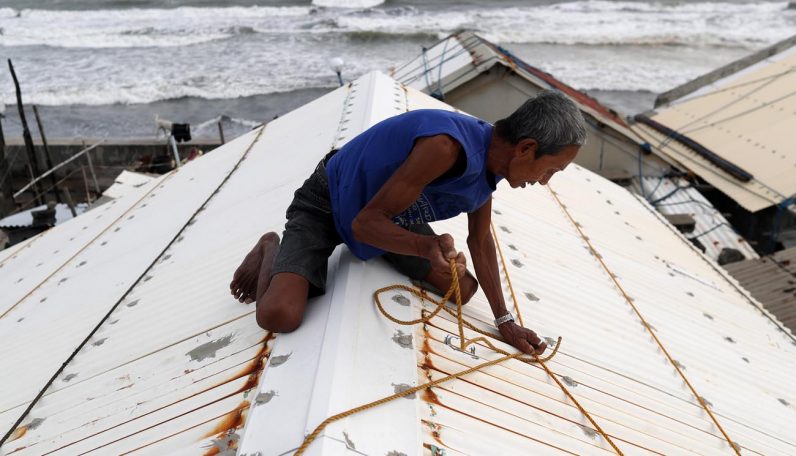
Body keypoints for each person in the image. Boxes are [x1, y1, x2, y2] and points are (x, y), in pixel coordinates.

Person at [230, 90, 586, 356]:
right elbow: (363, 224)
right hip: (329, 201)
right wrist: (426, 246)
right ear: (525, 148)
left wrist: (505, 321)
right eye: (551, 170)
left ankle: (394, 248)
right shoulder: (446, 147)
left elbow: (480, 241)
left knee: (462, 289)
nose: (544, 181)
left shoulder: (492, 166)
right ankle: (270, 247)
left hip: (390, 213)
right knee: (280, 315)